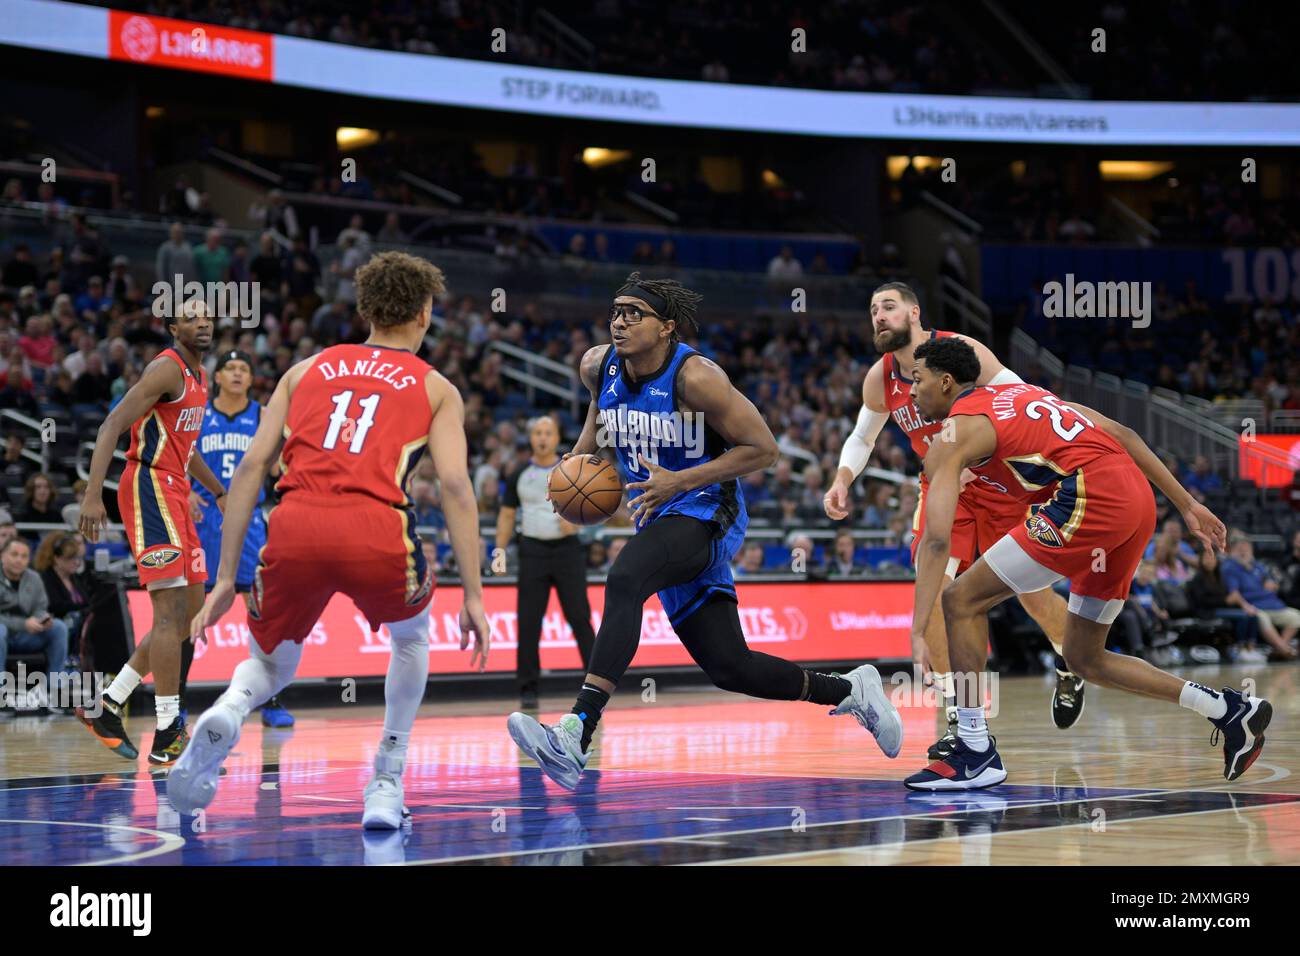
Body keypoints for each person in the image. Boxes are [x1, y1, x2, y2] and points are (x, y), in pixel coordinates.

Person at [507, 272, 902, 791]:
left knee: (625, 577)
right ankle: (850, 690)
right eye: (616, 312)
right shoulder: (596, 365)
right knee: (729, 667)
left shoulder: (696, 377)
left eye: (634, 313)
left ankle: (576, 732)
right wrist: (580, 457)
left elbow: (764, 449)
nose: (620, 321)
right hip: (661, 515)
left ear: (666, 327)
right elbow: (601, 415)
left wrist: (680, 481)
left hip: (708, 509)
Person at [170, 251, 490, 831]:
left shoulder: (304, 369)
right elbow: (454, 487)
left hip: (294, 524)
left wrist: (222, 580)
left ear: (365, 309)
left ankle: (229, 707)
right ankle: (387, 778)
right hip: (375, 530)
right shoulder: (437, 387)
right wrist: (473, 595)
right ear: (424, 314)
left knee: (270, 663)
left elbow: (248, 471)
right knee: (412, 639)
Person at [901, 337, 1270, 790]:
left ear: (946, 381)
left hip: (1092, 498)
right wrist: (1188, 505)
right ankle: (1228, 709)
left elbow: (937, 542)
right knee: (1084, 657)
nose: (910, 391)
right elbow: (1126, 435)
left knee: (959, 601)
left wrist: (920, 626)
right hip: (1137, 504)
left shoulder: (956, 432)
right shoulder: (1025, 394)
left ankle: (974, 749)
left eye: (916, 380)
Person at [823, 281, 1079, 762]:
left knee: (1028, 591)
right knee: (939, 592)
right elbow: (862, 436)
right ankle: (962, 716)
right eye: (873, 309)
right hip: (943, 490)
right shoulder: (880, 378)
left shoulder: (963, 354)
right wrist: (842, 479)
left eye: (889, 306)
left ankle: (1071, 655)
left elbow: (1022, 401)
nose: (879, 315)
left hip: (999, 481)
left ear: (915, 312)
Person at [77, 298, 225, 764]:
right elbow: (111, 425)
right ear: (173, 326)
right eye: (191, 317)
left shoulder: (201, 376)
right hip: (147, 486)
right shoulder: (166, 369)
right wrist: (91, 494)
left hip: (178, 491)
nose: (202, 322)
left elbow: (187, 446)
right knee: (169, 612)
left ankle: (109, 704)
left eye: (208, 316)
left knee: (190, 614)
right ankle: (167, 728)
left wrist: (219, 491)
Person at [188, 349, 293, 726]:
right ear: (216, 377)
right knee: (190, 608)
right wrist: (185, 492)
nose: (236, 374)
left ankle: (272, 699)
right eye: (229, 368)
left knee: (260, 608)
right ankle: (176, 700)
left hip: (249, 522)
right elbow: (176, 456)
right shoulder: (199, 414)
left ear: (251, 379)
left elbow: (282, 466)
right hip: (204, 520)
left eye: (243, 369)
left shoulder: (263, 416)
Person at [494, 414, 595, 709]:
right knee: (528, 622)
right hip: (532, 552)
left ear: (556, 437)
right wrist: (499, 552)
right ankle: (528, 688)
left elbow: (592, 506)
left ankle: (595, 684)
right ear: (531, 437)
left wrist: (577, 523)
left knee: (579, 617)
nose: (542, 437)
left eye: (548, 432)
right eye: (537, 432)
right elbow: (507, 515)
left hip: (567, 552)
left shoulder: (571, 470)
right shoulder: (519, 475)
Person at [0, 537, 70, 712]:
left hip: (27, 637)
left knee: (59, 627)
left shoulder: (34, 578)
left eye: (24, 556)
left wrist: (42, 620)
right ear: (2, 556)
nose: (19, 560)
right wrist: (23, 624)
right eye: (14, 554)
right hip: (4, 634)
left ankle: (53, 691)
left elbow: (40, 608)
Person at [1220, 533, 1300, 658]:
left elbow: (1273, 583)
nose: (1244, 551)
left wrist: (1273, 584)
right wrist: (1245, 606)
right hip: (1254, 605)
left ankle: (1280, 649)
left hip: (1273, 604)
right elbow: (1233, 593)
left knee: (1295, 617)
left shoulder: (1257, 565)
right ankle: (1285, 649)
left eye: (1246, 548)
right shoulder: (1230, 567)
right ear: (1232, 550)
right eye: (1240, 548)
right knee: (1262, 619)